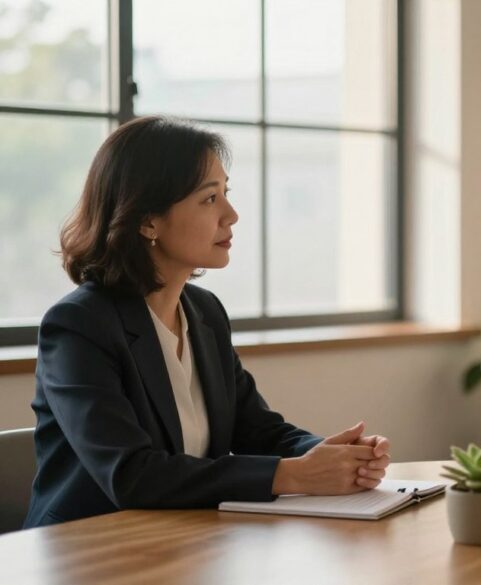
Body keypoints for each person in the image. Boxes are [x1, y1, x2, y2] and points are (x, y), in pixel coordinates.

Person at [24, 116, 390, 528]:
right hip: (86, 552)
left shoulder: (205, 313)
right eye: (209, 198)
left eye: (225, 193)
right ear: (147, 220)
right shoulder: (78, 326)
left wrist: (334, 455)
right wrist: (295, 474)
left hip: (184, 540)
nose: (231, 214)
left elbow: (257, 429)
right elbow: (131, 475)